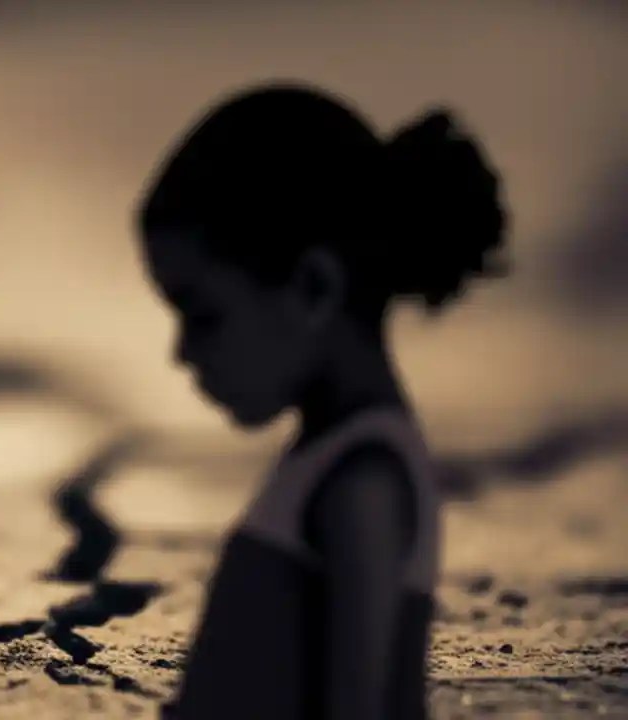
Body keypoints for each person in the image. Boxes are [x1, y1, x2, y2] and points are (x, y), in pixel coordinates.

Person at [139, 83, 507, 719]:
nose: (182, 353)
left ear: (314, 287)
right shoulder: (327, 462)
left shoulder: (362, 483)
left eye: (203, 316)